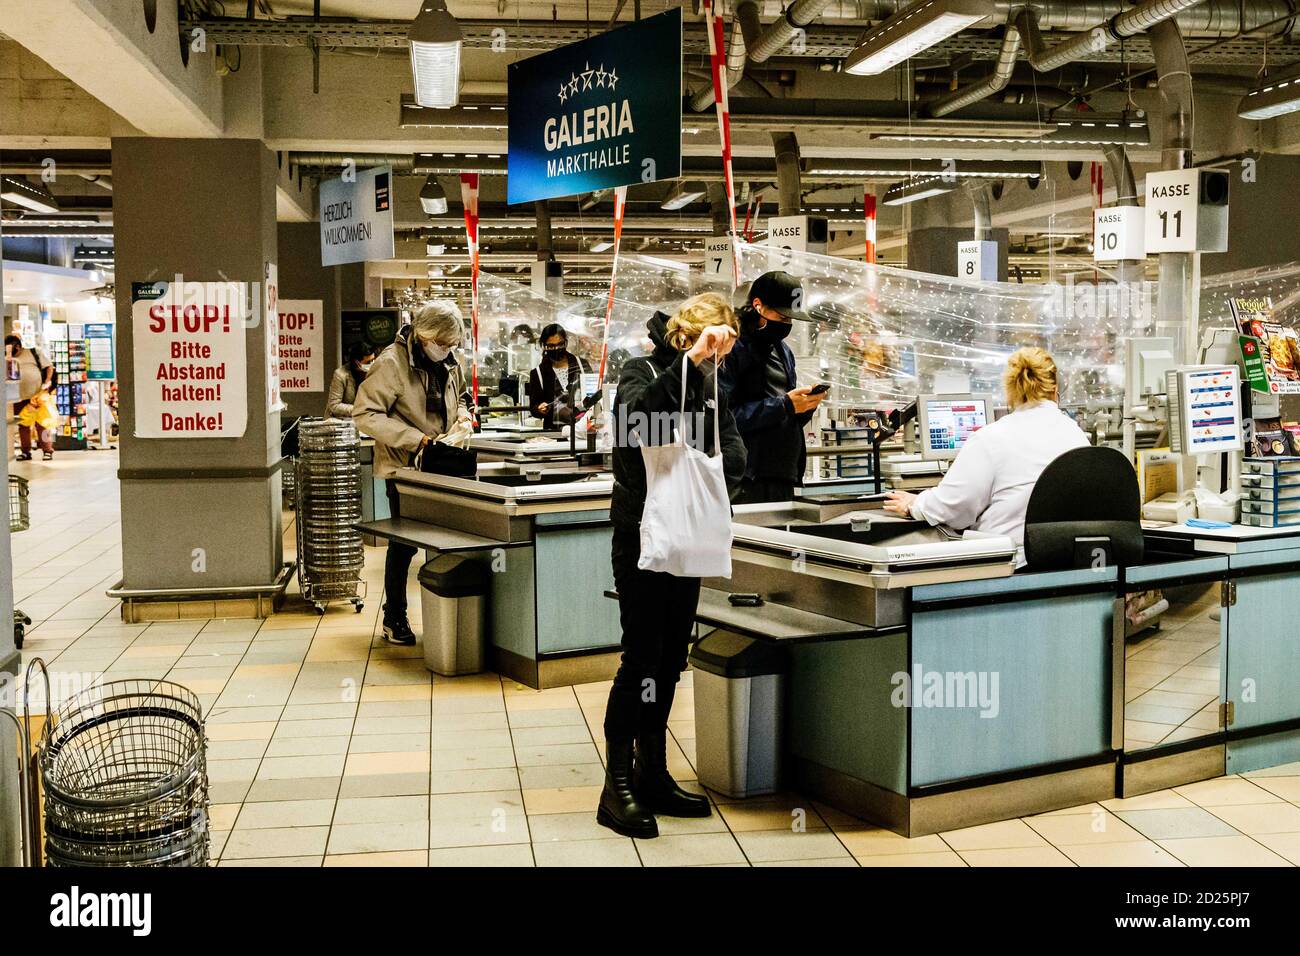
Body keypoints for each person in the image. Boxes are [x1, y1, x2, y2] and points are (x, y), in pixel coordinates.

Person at [600, 292, 747, 839]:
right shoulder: (640, 371)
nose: (717, 357)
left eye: (723, 350)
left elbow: (729, 452)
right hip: (640, 537)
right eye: (712, 345)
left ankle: (652, 771)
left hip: (686, 542)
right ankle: (616, 786)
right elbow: (640, 430)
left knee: (669, 660)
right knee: (640, 657)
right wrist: (686, 368)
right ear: (687, 334)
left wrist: (710, 487)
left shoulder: (710, 386)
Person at [883, 347, 1089, 560]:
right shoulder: (1077, 435)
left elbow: (954, 508)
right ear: (1055, 390)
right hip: (1068, 561)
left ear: (1010, 392)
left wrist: (915, 504)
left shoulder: (992, 437)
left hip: (1012, 564)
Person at [353, 302, 472, 644]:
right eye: (442, 343)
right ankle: (395, 618)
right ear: (423, 335)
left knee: (449, 541)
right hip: (404, 468)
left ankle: (447, 617)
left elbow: (462, 397)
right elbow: (365, 414)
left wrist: (463, 417)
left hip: (442, 462)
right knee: (403, 544)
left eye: (452, 345)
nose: (447, 350)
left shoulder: (450, 361)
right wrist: (414, 440)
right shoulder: (391, 363)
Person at [720, 271, 826, 504]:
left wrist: (804, 406)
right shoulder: (732, 349)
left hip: (784, 475)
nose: (786, 324)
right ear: (758, 306)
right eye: (782, 316)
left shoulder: (782, 351)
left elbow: (784, 415)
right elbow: (722, 418)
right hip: (746, 480)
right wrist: (784, 405)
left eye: (790, 319)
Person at [525, 323, 590, 430]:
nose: (556, 348)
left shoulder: (581, 365)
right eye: (551, 346)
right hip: (553, 433)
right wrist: (539, 408)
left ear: (566, 343)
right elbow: (533, 407)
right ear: (544, 346)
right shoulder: (538, 374)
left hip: (582, 430)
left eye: (560, 344)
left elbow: (594, 394)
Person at [6, 334, 55, 461]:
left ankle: (47, 450)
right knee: (23, 424)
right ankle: (26, 451)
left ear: (17, 346)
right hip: (19, 397)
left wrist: (48, 381)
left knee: (43, 424)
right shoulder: (7, 357)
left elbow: (49, 366)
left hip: (37, 395)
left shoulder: (34, 352)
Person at [326, 341, 377, 419]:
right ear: (357, 362)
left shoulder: (375, 372)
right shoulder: (340, 375)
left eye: (373, 360)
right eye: (368, 362)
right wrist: (360, 410)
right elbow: (334, 406)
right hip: (343, 422)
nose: (372, 364)